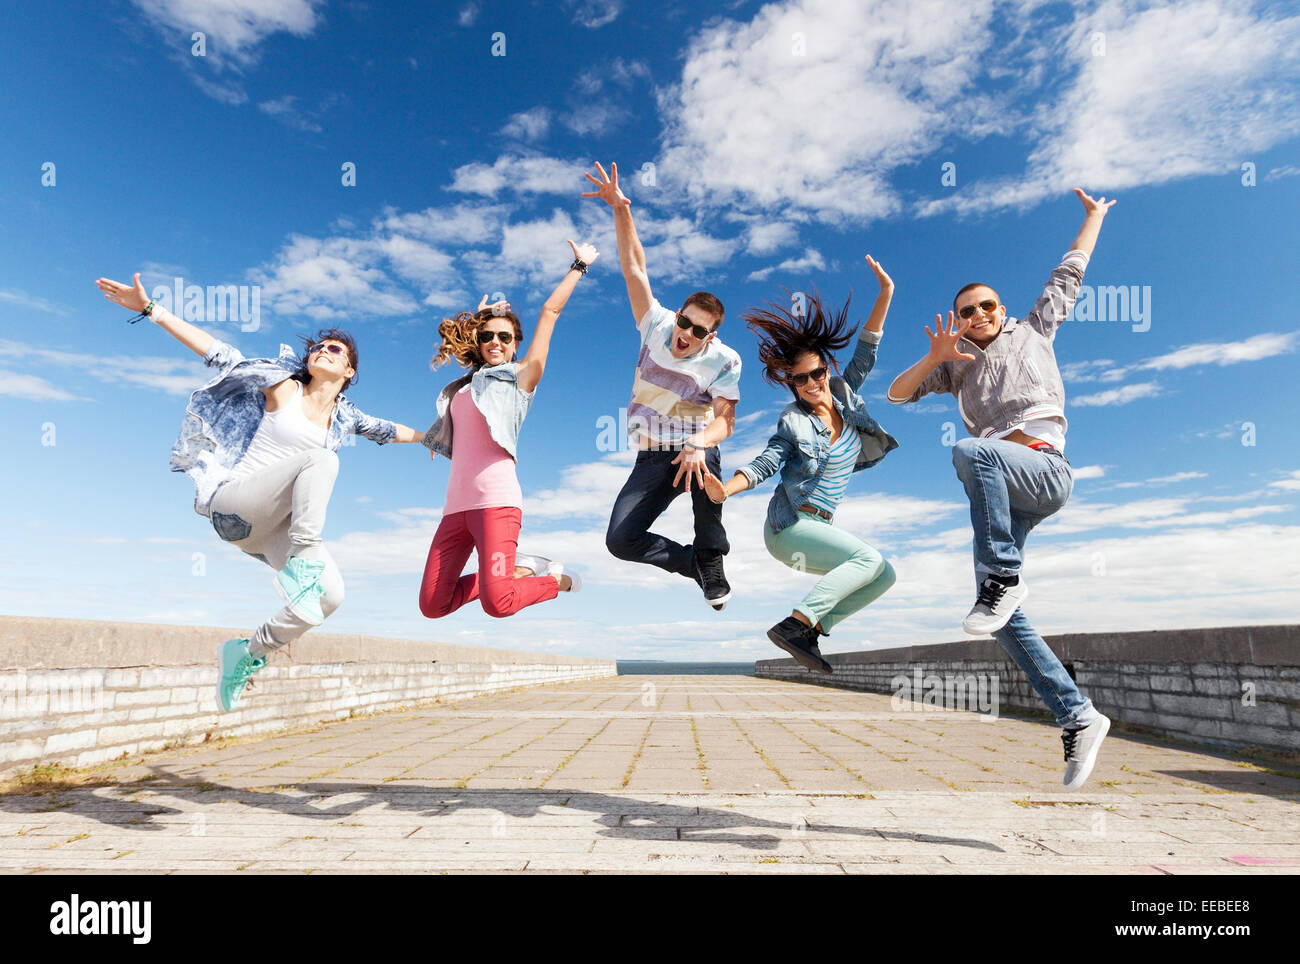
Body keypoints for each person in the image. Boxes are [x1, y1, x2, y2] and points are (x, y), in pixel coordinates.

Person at [94, 272, 427, 714]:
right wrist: (152, 309)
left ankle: (247, 654)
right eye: (319, 346)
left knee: (328, 598)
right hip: (233, 506)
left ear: (349, 371)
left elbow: (391, 430)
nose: (323, 350)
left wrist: (436, 440)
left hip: (271, 530)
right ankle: (304, 562)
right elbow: (218, 353)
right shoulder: (282, 386)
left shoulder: (345, 418)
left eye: (336, 349)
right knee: (323, 461)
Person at [885, 188, 1118, 789]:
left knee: (970, 451)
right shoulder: (954, 362)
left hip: (1042, 467)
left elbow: (1070, 273)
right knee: (998, 619)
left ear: (1001, 308)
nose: (978, 316)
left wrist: (1092, 218)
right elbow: (896, 394)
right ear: (958, 321)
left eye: (986, 306)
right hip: (1005, 487)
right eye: (967, 312)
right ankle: (1078, 715)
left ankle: (1001, 576)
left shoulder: (1034, 331)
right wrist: (935, 354)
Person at [704, 257, 899, 672]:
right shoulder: (793, 421)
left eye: (817, 373)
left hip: (818, 530)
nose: (812, 384)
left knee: (883, 575)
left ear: (826, 369)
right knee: (866, 560)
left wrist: (885, 293)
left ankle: (811, 630)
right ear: (789, 382)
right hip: (788, 529)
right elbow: (768, 461)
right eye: (800, 379)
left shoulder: (845, 394)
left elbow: (868, 348)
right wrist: (726, 489)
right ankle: (795, 624)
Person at [584, 161, 740, 610]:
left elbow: (725, 423)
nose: (685, 334)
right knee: (620, 539)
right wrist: (620, 209)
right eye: (684, 322)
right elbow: (635, 267)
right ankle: (689, 562)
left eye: (696, 331)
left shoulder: (725, 360)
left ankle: (711, 557)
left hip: (691, 450)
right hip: (650, 458)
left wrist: (696, 442)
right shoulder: (656, 324)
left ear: (711, 336)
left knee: (706, 455)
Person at [417, 240, 597, 620]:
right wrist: (480, 318)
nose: (495, 342)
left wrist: (578, 265)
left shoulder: (521, 381)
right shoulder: (466, 386)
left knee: (498, 604)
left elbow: (550, 311)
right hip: (455, 508)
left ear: (516, 346)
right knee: (433, 604)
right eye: (487, 336)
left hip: (497, 504)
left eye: (504, 337)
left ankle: (556, 581)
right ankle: (512, 570)